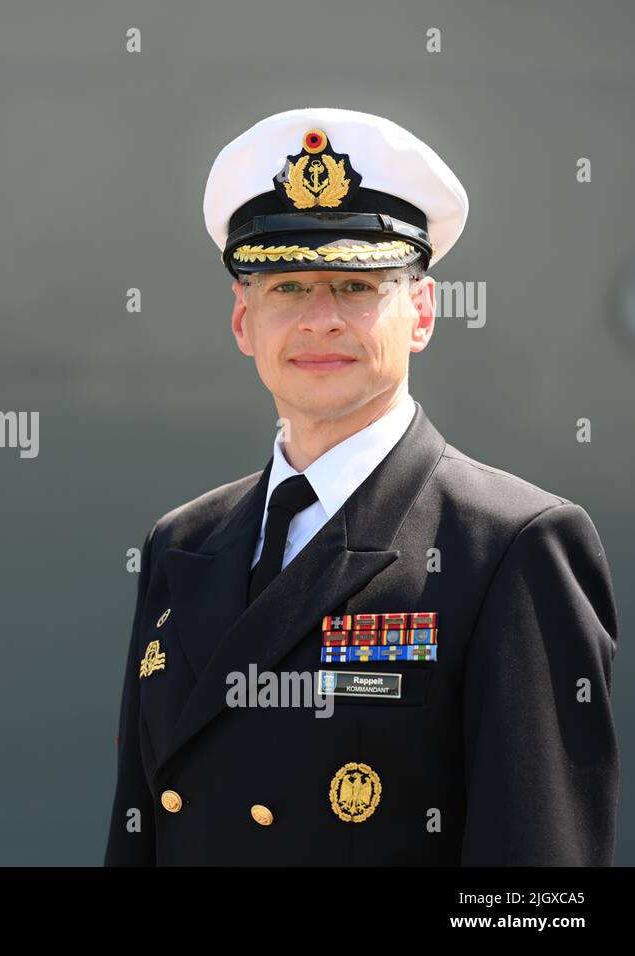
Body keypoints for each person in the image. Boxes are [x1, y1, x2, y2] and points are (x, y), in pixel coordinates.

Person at [103, 107, 619, 866]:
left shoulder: (511, 544)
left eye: (355, 284)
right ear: (244, 321)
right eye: (285, 287)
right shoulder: (183, 542)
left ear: (421, 312)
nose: (320, 321)